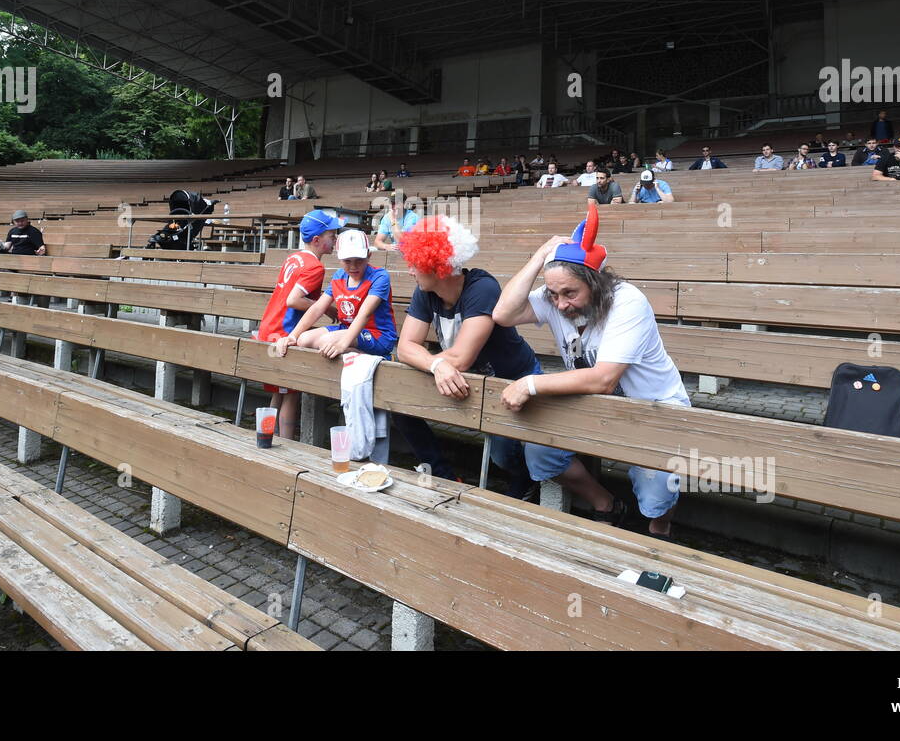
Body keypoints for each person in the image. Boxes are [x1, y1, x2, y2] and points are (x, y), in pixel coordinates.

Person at [493, 201, 691, 535]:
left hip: (654, 408)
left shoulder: (627, 301)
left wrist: (530, 384)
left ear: (595, 282)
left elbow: (603, 378)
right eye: (554, 294)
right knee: (540, 452)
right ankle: (606, 504)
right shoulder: (558, 294)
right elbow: (503, 314)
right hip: (590, 406)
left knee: (657, 492)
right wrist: (540, 256)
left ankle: (660, 528)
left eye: (570, 293)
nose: (560, 304)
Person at [395, 216, 538, 497]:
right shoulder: (425, 292)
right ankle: (443, 474)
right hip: (464, 379)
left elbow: (461, 358)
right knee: (400, 399)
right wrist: (435, 363)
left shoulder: (482, 287)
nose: (410, 270)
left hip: (508, 381)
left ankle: (525, 483)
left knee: (503, 456)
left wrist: (436, 361)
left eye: (416, 264)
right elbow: (405, 348)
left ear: (437, 266)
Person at [255, 210, 342, 439]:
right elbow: (293, 299)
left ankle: (266, 436)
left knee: (278, 389)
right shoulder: (315, 267)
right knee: (290, 393)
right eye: (331, 235)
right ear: (317, 240)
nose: (335, 239)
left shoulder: (294, 258)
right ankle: (285, 443)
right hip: (282, 333)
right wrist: (326, 307)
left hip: (269, 327)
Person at [276, 229, 397, 359]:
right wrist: (292, 336)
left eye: (359, 260)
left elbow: (365, 314)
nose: (353, 266)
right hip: (347, 329)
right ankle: (352, 351)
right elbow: (317, 308)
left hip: (377, 335)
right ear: (339, 258)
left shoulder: (379, 277)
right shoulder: (339, 276)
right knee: (303, 340)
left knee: (327, 342)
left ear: (368, 255)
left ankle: (376, 356)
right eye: (347, 261)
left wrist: (342, 344)